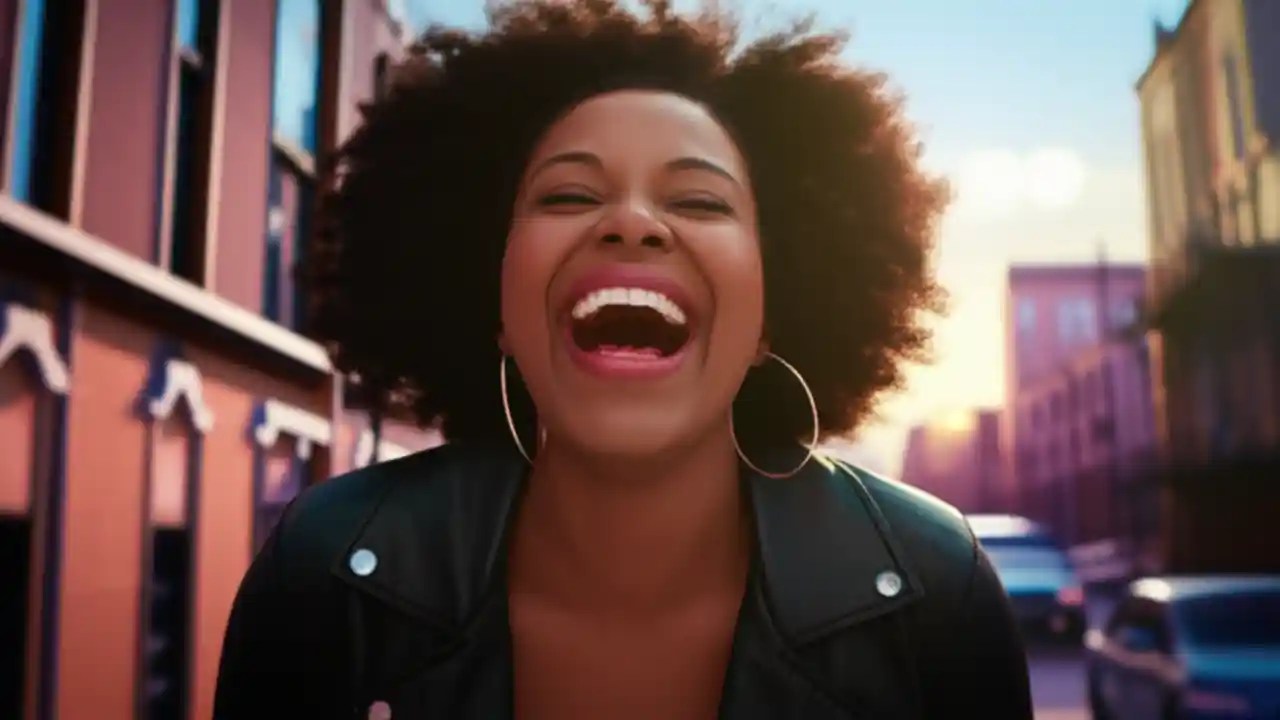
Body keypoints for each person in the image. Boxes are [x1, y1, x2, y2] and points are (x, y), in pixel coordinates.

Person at [213, 1, 1034, 718]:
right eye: (569, 194)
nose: (633, 222)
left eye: (699, 200)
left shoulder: (934, 590)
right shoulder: (325, 570)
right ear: (491, 301)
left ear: (771, 315)